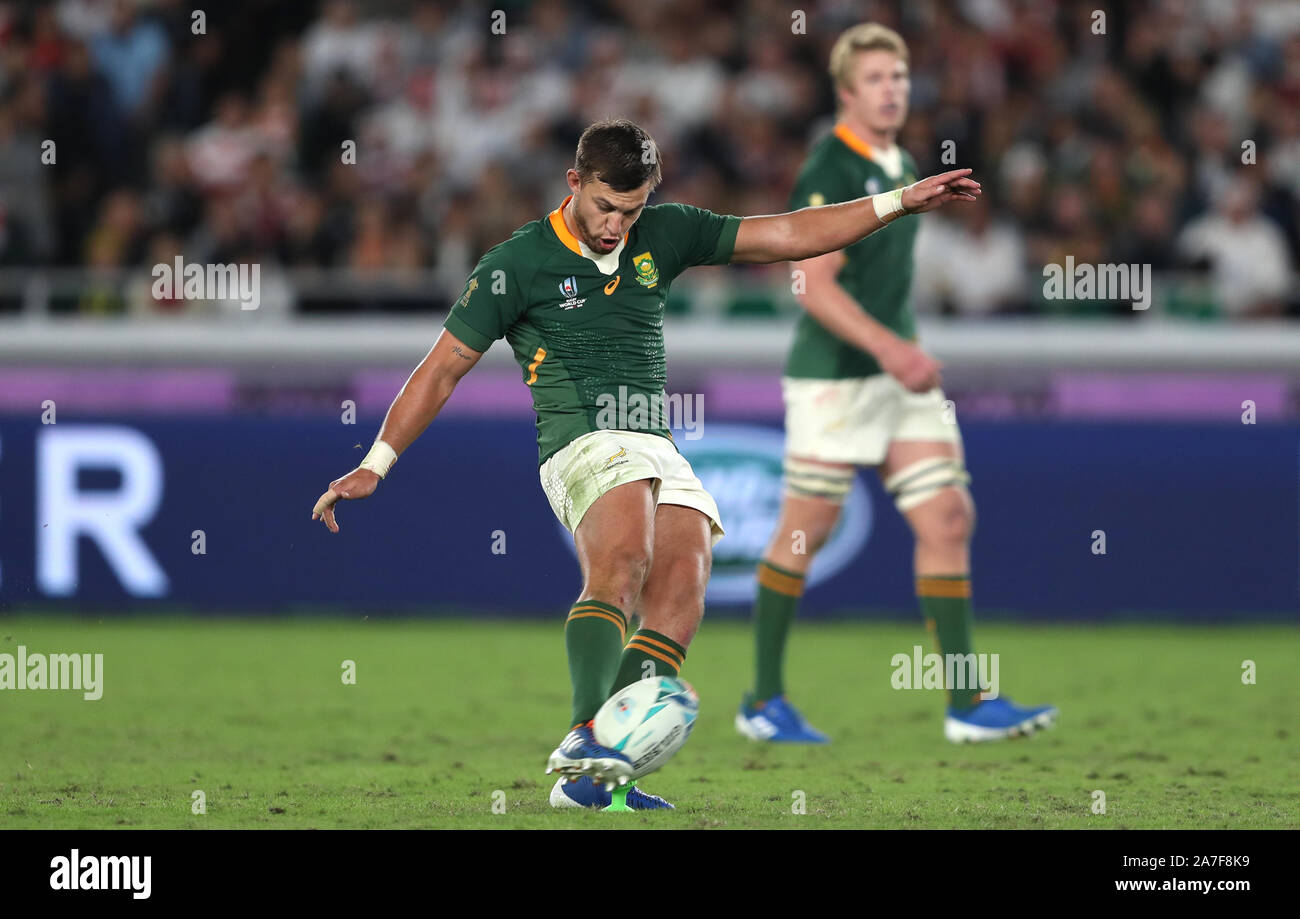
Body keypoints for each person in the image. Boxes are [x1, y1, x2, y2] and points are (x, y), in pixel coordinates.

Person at [312, 117, 980, 809]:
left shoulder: (666, 232)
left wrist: (898, 202)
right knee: (624, 558)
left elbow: (787, 233)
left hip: (656, 441)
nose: (616, 224)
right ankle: (582, 733)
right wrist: (378, 461)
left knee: (682, 592)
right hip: (581, 440)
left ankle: (601, 780)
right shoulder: (517, 263)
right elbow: (442, 369)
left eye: (632, 209)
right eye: (605, 206)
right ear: (574, 183)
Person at [735, 24, 1056, 745]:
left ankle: (967, 703)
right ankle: (761, 698)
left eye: (900, 77)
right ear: (846, 92)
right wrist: (892, 348)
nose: (892, 90)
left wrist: (901, 348)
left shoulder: (905, 161)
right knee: (803, 530)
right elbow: (810, 286)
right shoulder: (832, 165)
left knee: (948, 515)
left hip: (898, 374)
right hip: (838, 379)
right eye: (876, 78)